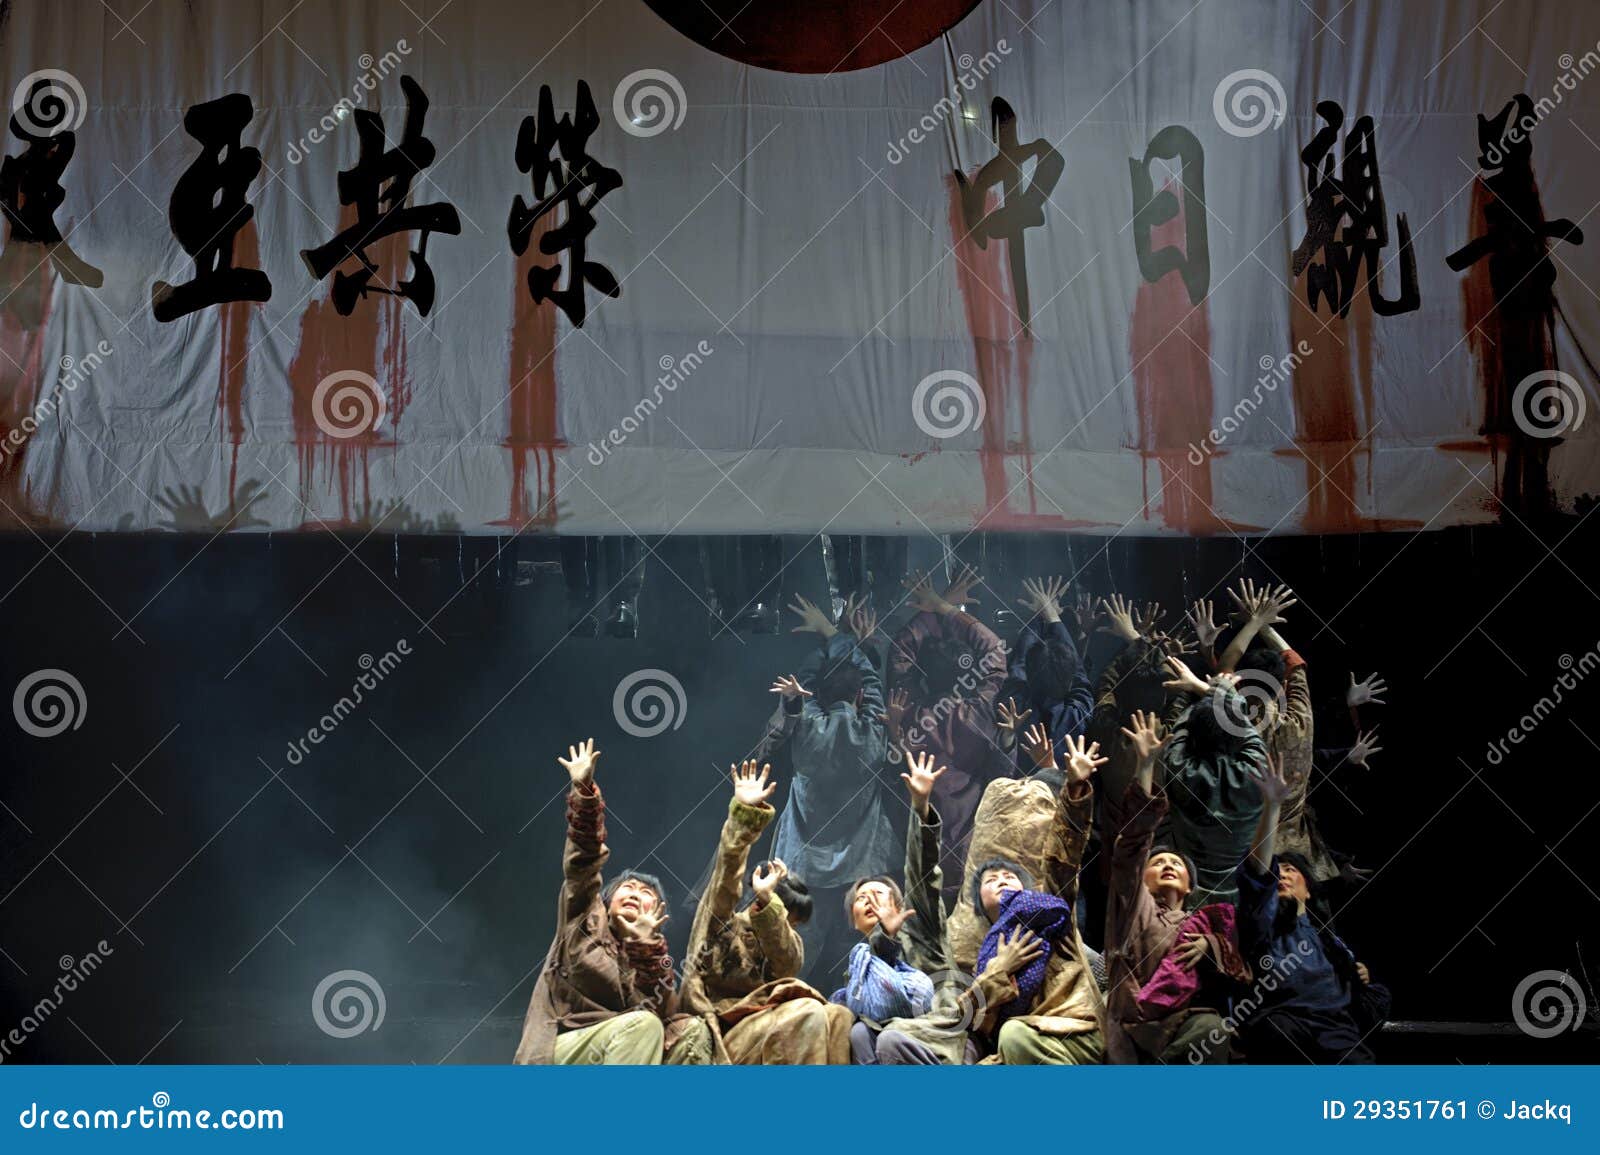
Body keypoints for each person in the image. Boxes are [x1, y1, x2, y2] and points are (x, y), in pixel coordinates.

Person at [513, 739, 711, 1064]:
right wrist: (585, 792)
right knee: (642, 1025)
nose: (636, 893)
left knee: (692, 1032)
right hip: (558, 1052)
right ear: (606, 900)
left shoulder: (650, 959)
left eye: (647, 895)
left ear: (658, 914)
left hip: (622, 1048)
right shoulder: (584, 918)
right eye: (628, 888)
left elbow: (666, 1019)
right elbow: (583, 861)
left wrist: (646, 948)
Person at [678, 760, 851, 1064]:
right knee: (807, 1012)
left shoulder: (787, 946)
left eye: (796, 921)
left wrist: (771, 908)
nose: (790, 924)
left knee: (838, 1016)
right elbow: (725, 878)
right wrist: (743, 822)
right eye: (789, 915)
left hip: (769, 1022)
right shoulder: (721, 925)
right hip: (723, 1026)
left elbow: (788, 961)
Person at [1103, 710, 1250, 1063]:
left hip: (1184, 1025)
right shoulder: (1133, 906)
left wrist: (1211, 946)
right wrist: (1146, 765)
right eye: (1158, 863)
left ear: (1189, 888)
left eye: (1176, 864)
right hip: (1135, 1025)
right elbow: (1133, 845)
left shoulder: (1202, 925)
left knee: (1213, 1029)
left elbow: (1244, 975)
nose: (1168, 864)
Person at [768, 595, 896, 980]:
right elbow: (873, 682)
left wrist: (828, 640)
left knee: (800, 954)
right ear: (859, 698)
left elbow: (804, 688)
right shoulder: (873, 732)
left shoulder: (806, 729)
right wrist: (839, 637)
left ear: (815, 695)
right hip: (860, 867)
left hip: (804, 866)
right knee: (857, 956)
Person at [964, 724, 1108, 1064]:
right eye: (990, 878)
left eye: (1009, 876)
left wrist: (1074, 788)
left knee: (1014, 1035)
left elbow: (1064, 859)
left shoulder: (1052, 913)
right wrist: (999, 969)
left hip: (1075, 1030)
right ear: (979, 904)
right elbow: (967, 1018)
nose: (1001, 879)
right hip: (1024, 1048)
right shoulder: (979, 952)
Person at [1233, 754, 1391, 1063]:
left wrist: (1357, 973)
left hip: (1334, 1027)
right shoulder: (1263, 924)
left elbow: (1363, 987)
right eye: (1277, 871)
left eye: (1291, 870)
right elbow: (1258, 872)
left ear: (1308, 886)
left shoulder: (1328, 940)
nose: (1283, 875)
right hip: (1283, 1023)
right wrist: (1272, 805)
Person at [888, 566, 1007, 905]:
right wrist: (945, 608)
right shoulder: (979, 711)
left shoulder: (911, 714)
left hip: (929, 849)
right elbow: (995, 654)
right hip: (973, 845)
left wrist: (930, 613)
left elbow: (899, 657)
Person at [1158, 657, 1267, 904]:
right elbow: (1247, 731)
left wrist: (1201, 692)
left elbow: (1179, 732)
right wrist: (1215, 691)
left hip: (1186, 894)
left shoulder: (1180, 770)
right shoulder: (1256, 773)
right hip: (1238, 897)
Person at [995, 576, 1094, 776]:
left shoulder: (1016, 711)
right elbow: (1079, 674)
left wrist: (1042, 615)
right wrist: (1050, 615)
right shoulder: (1077, 715)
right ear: (1069, 683)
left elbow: (1019, 664)